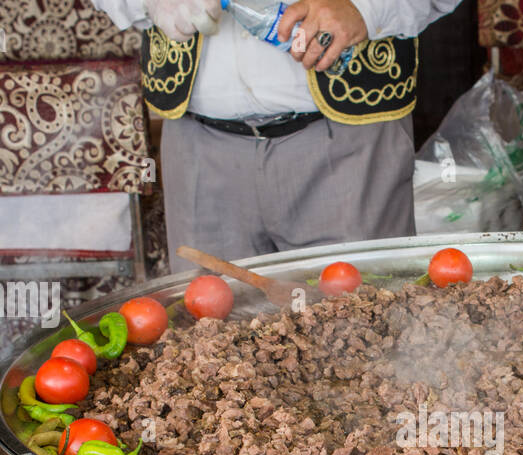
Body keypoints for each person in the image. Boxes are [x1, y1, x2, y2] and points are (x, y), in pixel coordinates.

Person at [92, 0, 460, 266]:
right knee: (210, 353)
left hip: (350, 147)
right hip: (198, 151)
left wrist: (364, 8)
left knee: (364, 340)